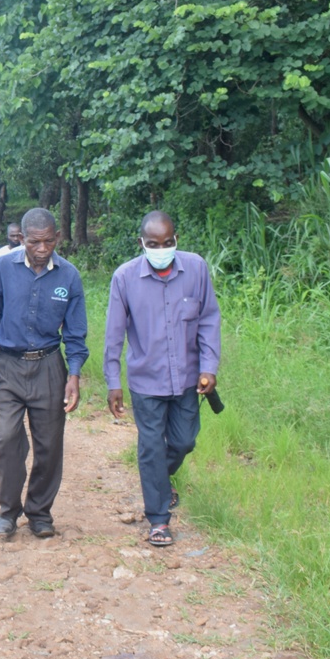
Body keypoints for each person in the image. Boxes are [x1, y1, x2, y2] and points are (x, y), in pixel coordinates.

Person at [104, 210, 220, 548]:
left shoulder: (196, 269)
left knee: (184, 442)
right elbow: (114, 334)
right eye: (153, 244)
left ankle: (157, 477)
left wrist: (209, 367)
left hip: (186, 378)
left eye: (167, 242)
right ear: (141, 243)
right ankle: (158, 519)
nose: (161, 249)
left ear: (176, 240)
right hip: (146, 381)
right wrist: (113, 381)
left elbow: (209, 319)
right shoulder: (125, 278)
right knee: (152, 445)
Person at [0, 209, 88, 540]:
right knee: (7, 438)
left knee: (49, 444)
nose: (42, 249)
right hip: (8, 366)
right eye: (34, 242)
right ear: (22, 239)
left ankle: (40, 512)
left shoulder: (69, 276)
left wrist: (74, 375)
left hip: (49, 367)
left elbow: (75, 333)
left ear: (57, 237)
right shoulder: (3, 268)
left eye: (49, 241)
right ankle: (8, 511)